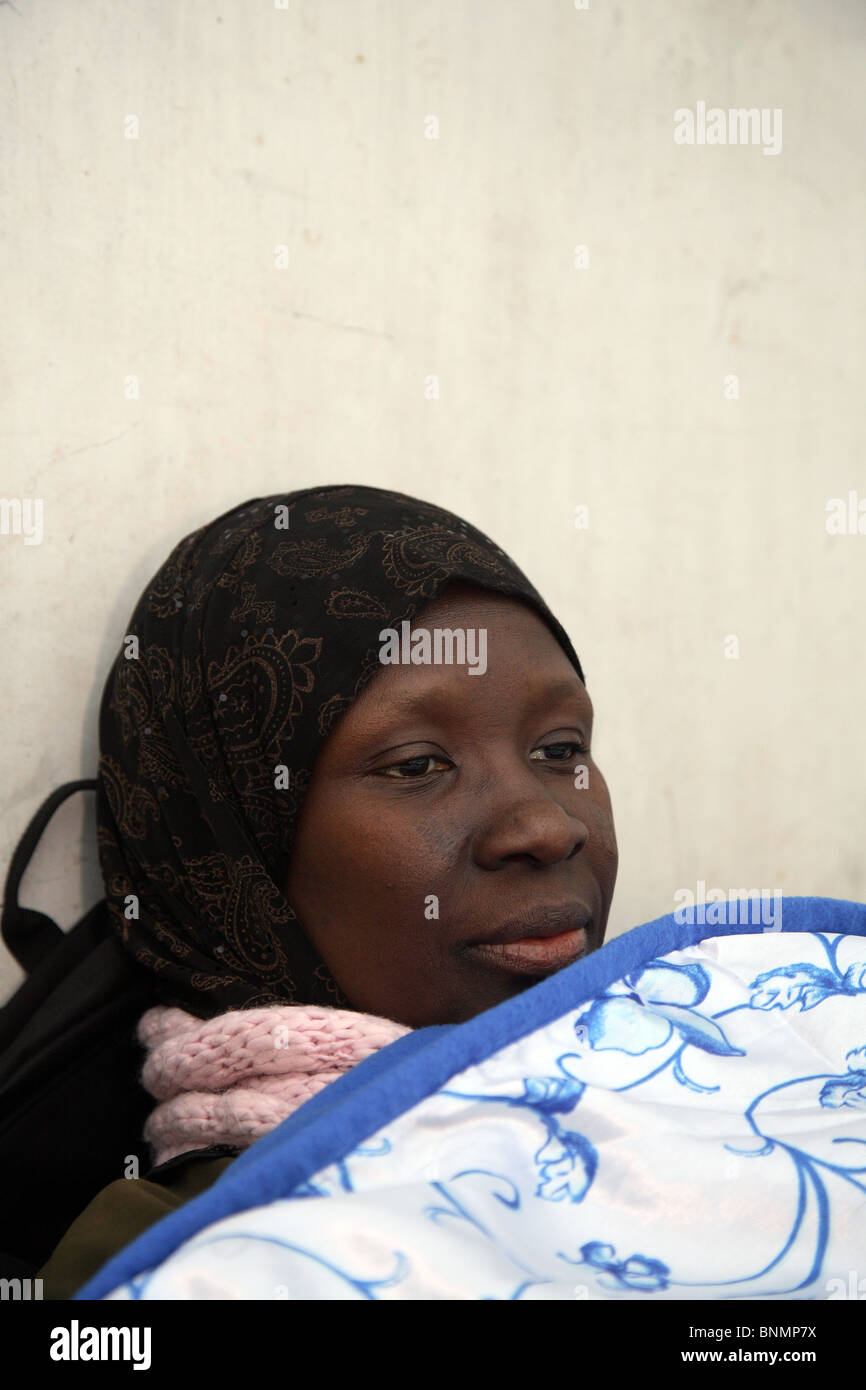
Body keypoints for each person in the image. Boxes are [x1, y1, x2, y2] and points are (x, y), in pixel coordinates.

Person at [38, 482, 618, 1296]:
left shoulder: (751, 1081)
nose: (549, 826)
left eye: (561, 748)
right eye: (417, 765)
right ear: (237, 845)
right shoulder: (178, 1264)